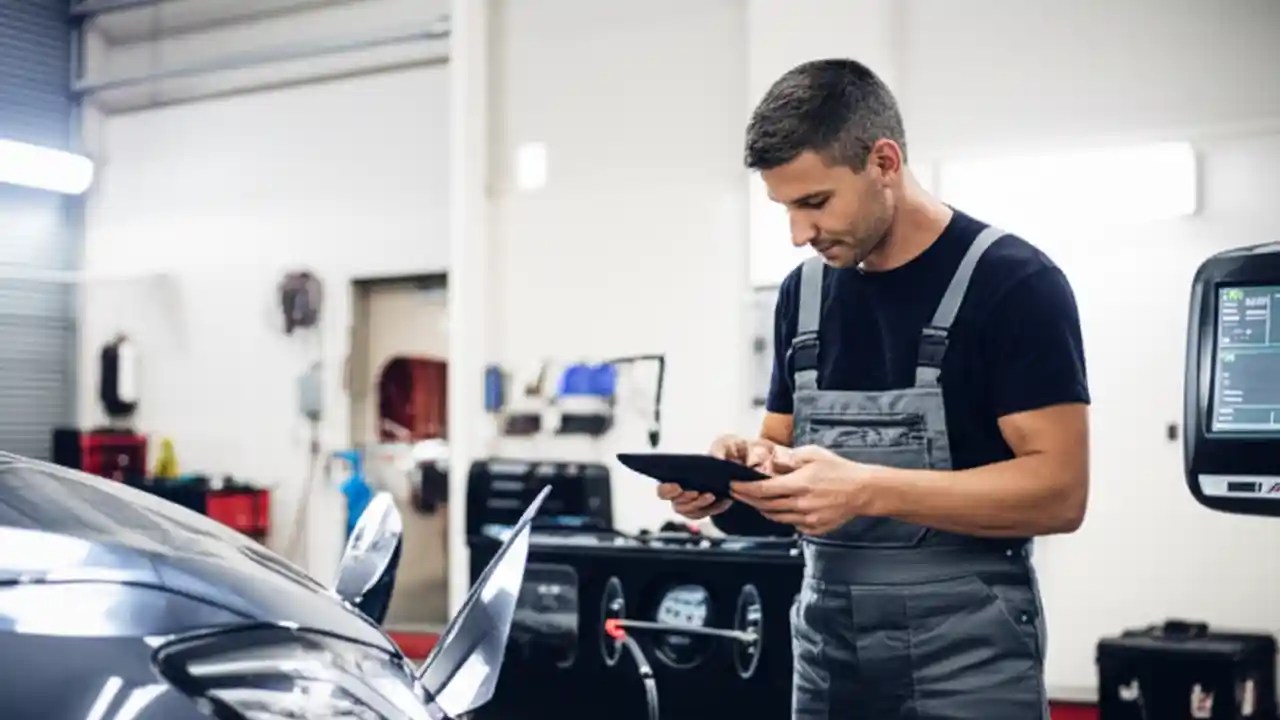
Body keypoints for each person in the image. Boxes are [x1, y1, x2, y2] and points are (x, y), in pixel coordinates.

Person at [657, 58, 1090, 719]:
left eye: (815, 202)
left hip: (969, 656)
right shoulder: (801, 297)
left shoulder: (1014, 284)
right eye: (785, 208)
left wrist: (866, 487)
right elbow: (780, 468)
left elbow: (1060, 493)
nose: (800, 234)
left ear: (884, 162)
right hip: (827, 650)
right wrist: (729, 484)